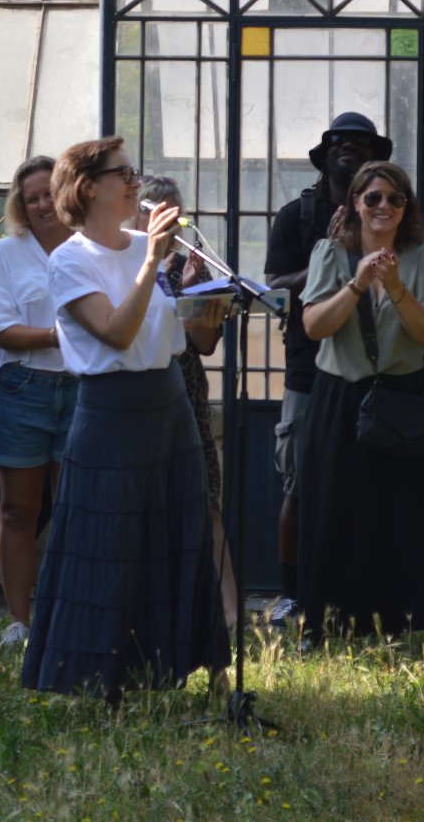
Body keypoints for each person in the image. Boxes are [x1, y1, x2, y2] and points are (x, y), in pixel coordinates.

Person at [21, 136, 230, 705]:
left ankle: (200, 672)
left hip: (169, 407)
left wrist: (206, 314)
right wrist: (149, 261)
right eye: (124, 173)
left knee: (181, 535)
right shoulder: (69, 259)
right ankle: (100, 681)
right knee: (107, 543)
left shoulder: (148, 246)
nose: (136, 182)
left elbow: (176, 334)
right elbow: (115, 331)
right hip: (111, 413)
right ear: (89, 187)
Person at [296, 160, 424, 644]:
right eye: (373, 198)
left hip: (404, 397)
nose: (383, 207)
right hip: (342, 396)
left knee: (402, 512)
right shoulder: (330, 252)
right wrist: (358, 283)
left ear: (407, 208)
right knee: (334, 510)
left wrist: (397, 287)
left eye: (395, 199)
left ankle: (398, 623)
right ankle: (326, 622)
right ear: (355, 205)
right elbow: (314, 327)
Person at [261, 112, 391, 627]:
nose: (348, 148)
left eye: (360, 143)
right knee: (299, 485)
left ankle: (358, 600)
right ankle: (294, 593)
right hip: (309, 367)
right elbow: (273, 280)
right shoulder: (299, 215)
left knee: (364, 487)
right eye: (338, 141)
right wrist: (330, 259)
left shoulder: (386, 211)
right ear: (324, 154)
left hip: (373, 367)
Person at [136, 174, 238, 629]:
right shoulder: (121, 263)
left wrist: (197, 295)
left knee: (205, 500)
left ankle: (229, 613)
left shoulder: (191, 264)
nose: (170, 223)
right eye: (159, 211)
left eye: (176, 214)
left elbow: (207, 343)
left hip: (186, 386)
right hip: (139, 389)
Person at [0, 155, 74, 647]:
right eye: (31, 197)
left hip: (82, 388)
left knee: (74, 508)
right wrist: (60, 337)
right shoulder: (7, 252)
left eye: (48, 195)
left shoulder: (90, 245)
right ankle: (20, 621)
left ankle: (67, 612)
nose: (41, 205)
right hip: (24, 388)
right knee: (18, 510)